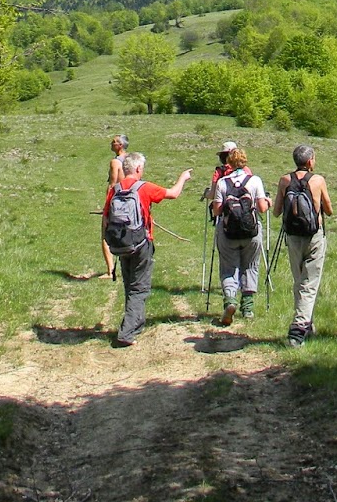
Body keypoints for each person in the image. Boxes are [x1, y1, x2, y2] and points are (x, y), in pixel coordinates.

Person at [102, 151, 192, 347]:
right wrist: (183, 178)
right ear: (138, 168)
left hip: (120, 243)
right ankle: (126, 333)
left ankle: (137, 324)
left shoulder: (115, 189)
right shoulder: (144, 188)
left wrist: (108, 240)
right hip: (141, 243)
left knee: (129, 285)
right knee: (139, 288)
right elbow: (173, 194)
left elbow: (106, 217)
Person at [271, 143, 334, 346]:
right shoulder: (318, 180)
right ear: (309, 161)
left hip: (292, 237)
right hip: (314, 235)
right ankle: (297, 331)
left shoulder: (284, 180)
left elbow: (277, 211)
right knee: (310, 282)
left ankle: (307, 323)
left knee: (300, 281)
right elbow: (329, 210)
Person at [210, 145, 270, 325]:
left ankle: (230, 300)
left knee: (229, 267)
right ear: (245, 162)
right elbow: (261, 208)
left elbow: (217, 211)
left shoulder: (223, 182)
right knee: (250, 265)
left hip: (228, 232)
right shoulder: (255, 180)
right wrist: (268, 201)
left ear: (228, 161)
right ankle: (248, 308)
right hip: (251, 232)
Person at [100, 134, 129, 279]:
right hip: (131, 200)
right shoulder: (132, 160)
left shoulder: (115, 162)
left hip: (116, 201)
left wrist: (106, 208)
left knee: (106, 235)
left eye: (114, 142)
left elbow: (112, 184)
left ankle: (110, 271)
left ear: (121, 145)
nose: (111, 143)